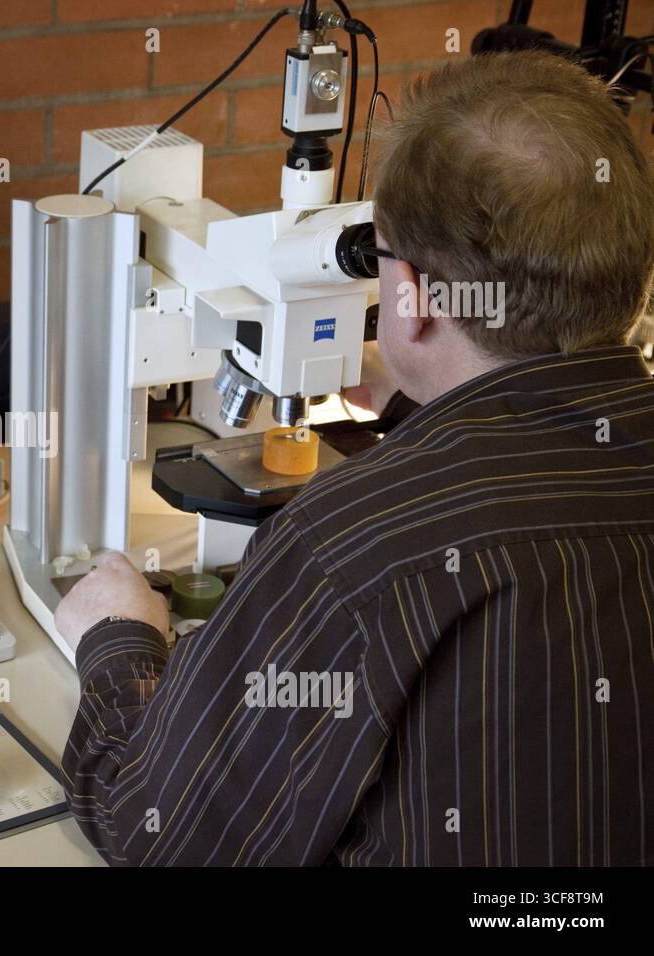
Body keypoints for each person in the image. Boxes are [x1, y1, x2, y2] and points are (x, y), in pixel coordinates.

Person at [54, 50, 654, 866]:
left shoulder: (357, 544)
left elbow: (157, 832)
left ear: (408, 300)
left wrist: (120, 641)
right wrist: (423, 403)